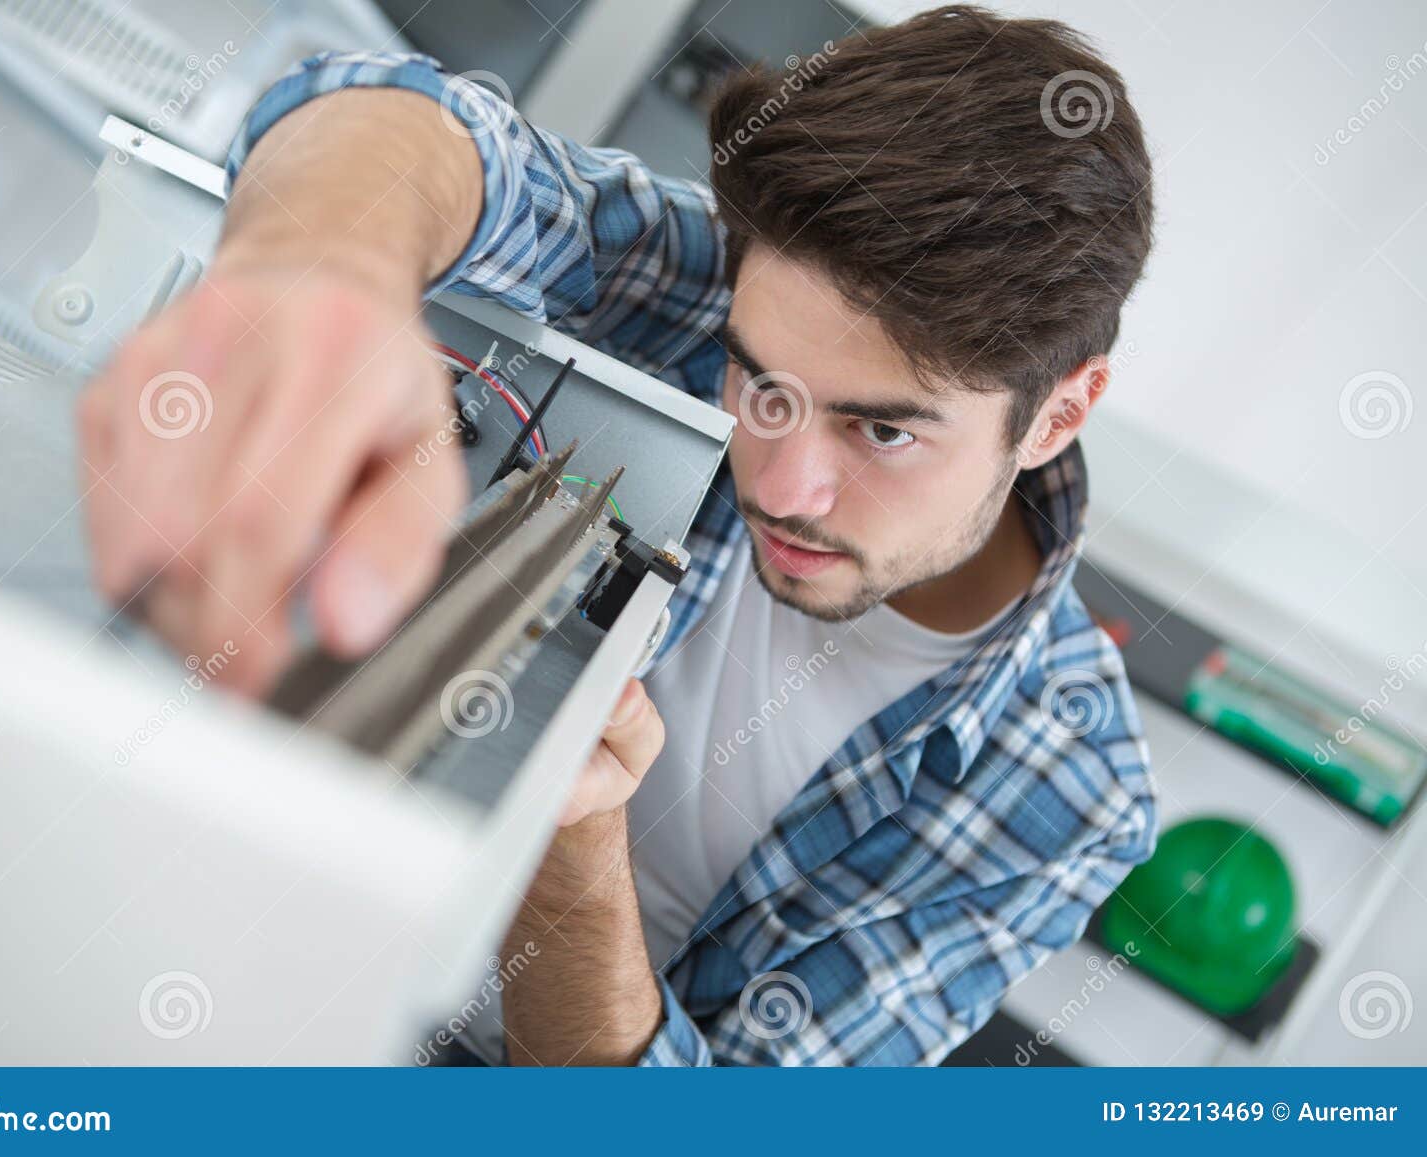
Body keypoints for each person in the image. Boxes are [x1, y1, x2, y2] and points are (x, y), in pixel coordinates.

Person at [77, 5, 1157, 1066]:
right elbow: (404, 123)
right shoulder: (728, 278)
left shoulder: (1069, 787)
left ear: (1059, 411)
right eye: (759, 382)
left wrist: (571, 838)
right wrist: (323, 279)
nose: (779, 482)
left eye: (880, 428)